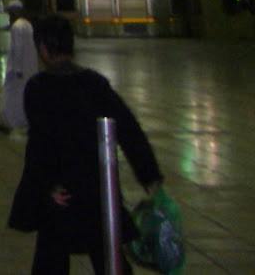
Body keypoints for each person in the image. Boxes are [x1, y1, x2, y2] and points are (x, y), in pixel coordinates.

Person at [9, 15, 162, 274]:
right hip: (96, 188)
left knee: (51, 258)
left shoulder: (39, 88)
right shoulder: (95, 84)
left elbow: (40, 146)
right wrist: (148, 174)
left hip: (61, 193)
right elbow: (127, 127)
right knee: (107, 254)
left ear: (44, 48)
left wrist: (46, 186)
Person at [0, 0, 36, 132]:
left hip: (17, 69)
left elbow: (18, 48)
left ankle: (11, 121)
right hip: (29, 67)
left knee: (12, 95)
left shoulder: (17, 27)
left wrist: (18, 69)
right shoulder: (27, 25)